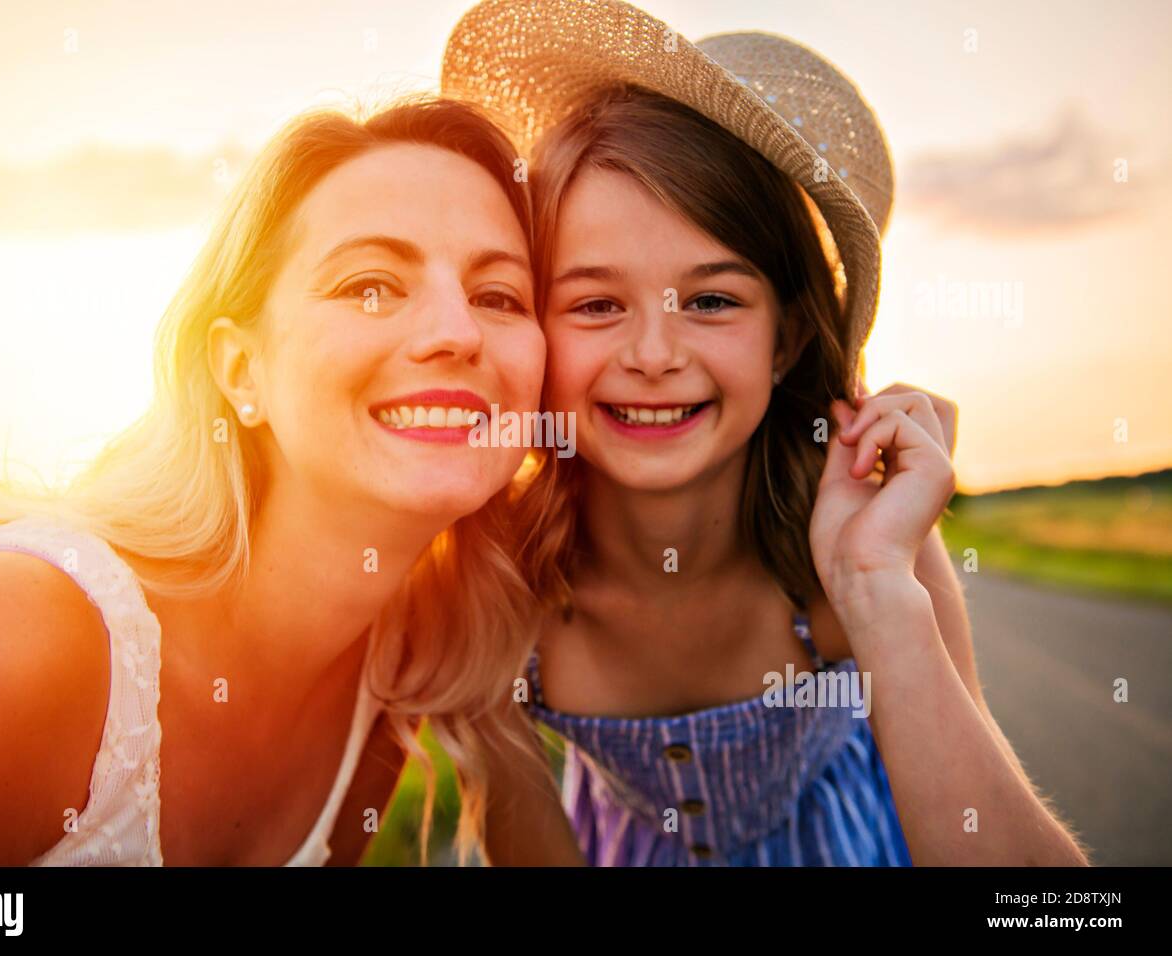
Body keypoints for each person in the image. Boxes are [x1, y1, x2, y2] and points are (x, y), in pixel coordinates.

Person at [443, 0, 1090, 866]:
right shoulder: (496, 581)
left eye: (711, 300)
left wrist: (877, 593)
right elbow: (512, 817)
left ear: (785, 339)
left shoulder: (862, 545)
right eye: (597, 303)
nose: (654, 354)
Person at [0, 96, 564, 866]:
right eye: (371, 285)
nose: (456, 332)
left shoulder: (386, 683)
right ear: (241, 368)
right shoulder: (5, 636)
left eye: (498, 296)